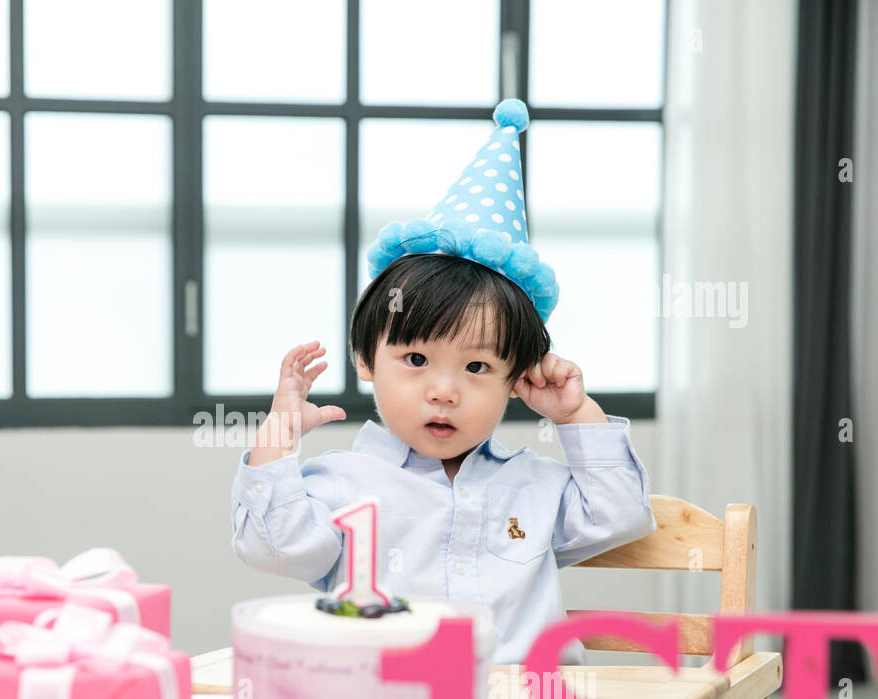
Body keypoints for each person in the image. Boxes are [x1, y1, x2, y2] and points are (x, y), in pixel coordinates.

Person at [228, 100, 656, 665]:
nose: (444, 391)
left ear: (514, 380)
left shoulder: (534, 485)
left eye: (477, 367)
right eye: (415, 359)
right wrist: (280, 433)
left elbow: (619, 514)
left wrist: (575, 416)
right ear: (365, 359)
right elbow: (273, 548)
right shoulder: (342, 484)